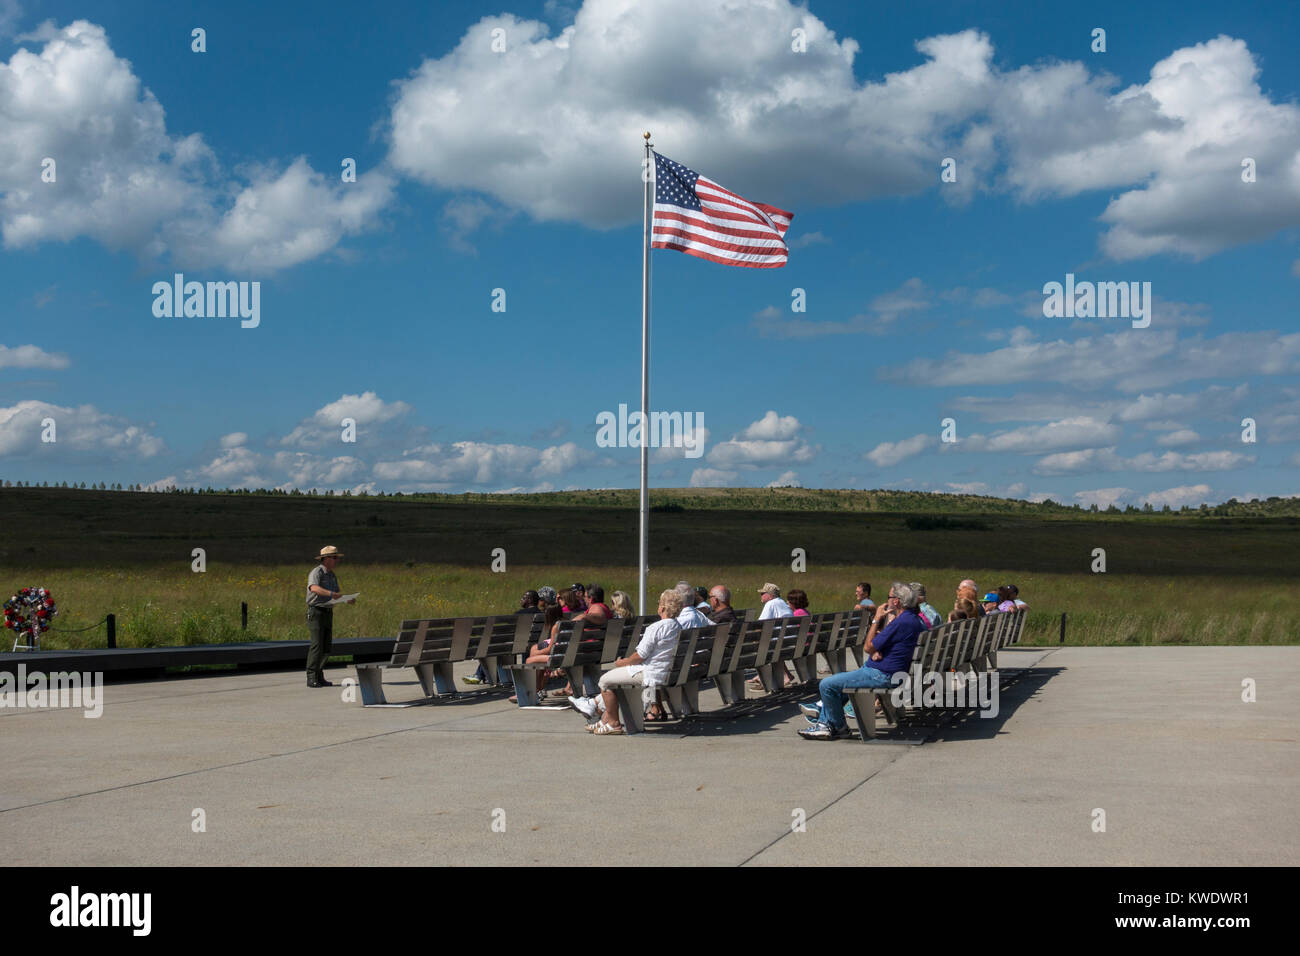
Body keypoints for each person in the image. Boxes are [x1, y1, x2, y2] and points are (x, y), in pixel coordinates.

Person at [798, 582, 925, 740]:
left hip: (881, 675)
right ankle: (825, 722)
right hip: (891, 672)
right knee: (836, 686)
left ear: (896, 601)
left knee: (827, 685)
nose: (886, 601)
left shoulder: (901, 622)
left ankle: (838, 727)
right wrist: (879, 650)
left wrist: (877, 619)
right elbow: (887, 645)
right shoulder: (913, 620)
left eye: (889, 597)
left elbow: (868, 647)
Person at [573, 589, 685, 734]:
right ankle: (602, 716)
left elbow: (640, 656)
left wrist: (623, 663)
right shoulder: (677, 626)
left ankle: (613, 723)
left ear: (662, 607)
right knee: (615, 680)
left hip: (650, 673)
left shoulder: (656, 627)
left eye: (659, 603)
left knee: (605, 680)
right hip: (663, 672)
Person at [464, 590, 539, 685]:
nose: (521, 600)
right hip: (534, 645)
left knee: (493, 645)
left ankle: (479, 675)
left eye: (523, 598)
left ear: (529, 600)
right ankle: (480, 675)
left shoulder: (520, 614)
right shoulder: (542, 614)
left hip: (517, 645)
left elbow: (506, 628)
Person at [305, 545, 354, 688]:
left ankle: (319, 675)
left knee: (326, 646)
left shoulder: (332, 575)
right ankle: (311, 676)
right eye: (334, 557)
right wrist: (331, 594)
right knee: (317, 645)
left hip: (328, 611)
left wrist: (346, 599)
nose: (337, 560)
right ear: (325, 559)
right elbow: (313, 588)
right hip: (316, 611)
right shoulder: (317, 572)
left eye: (337, 557)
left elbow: (336, 594)